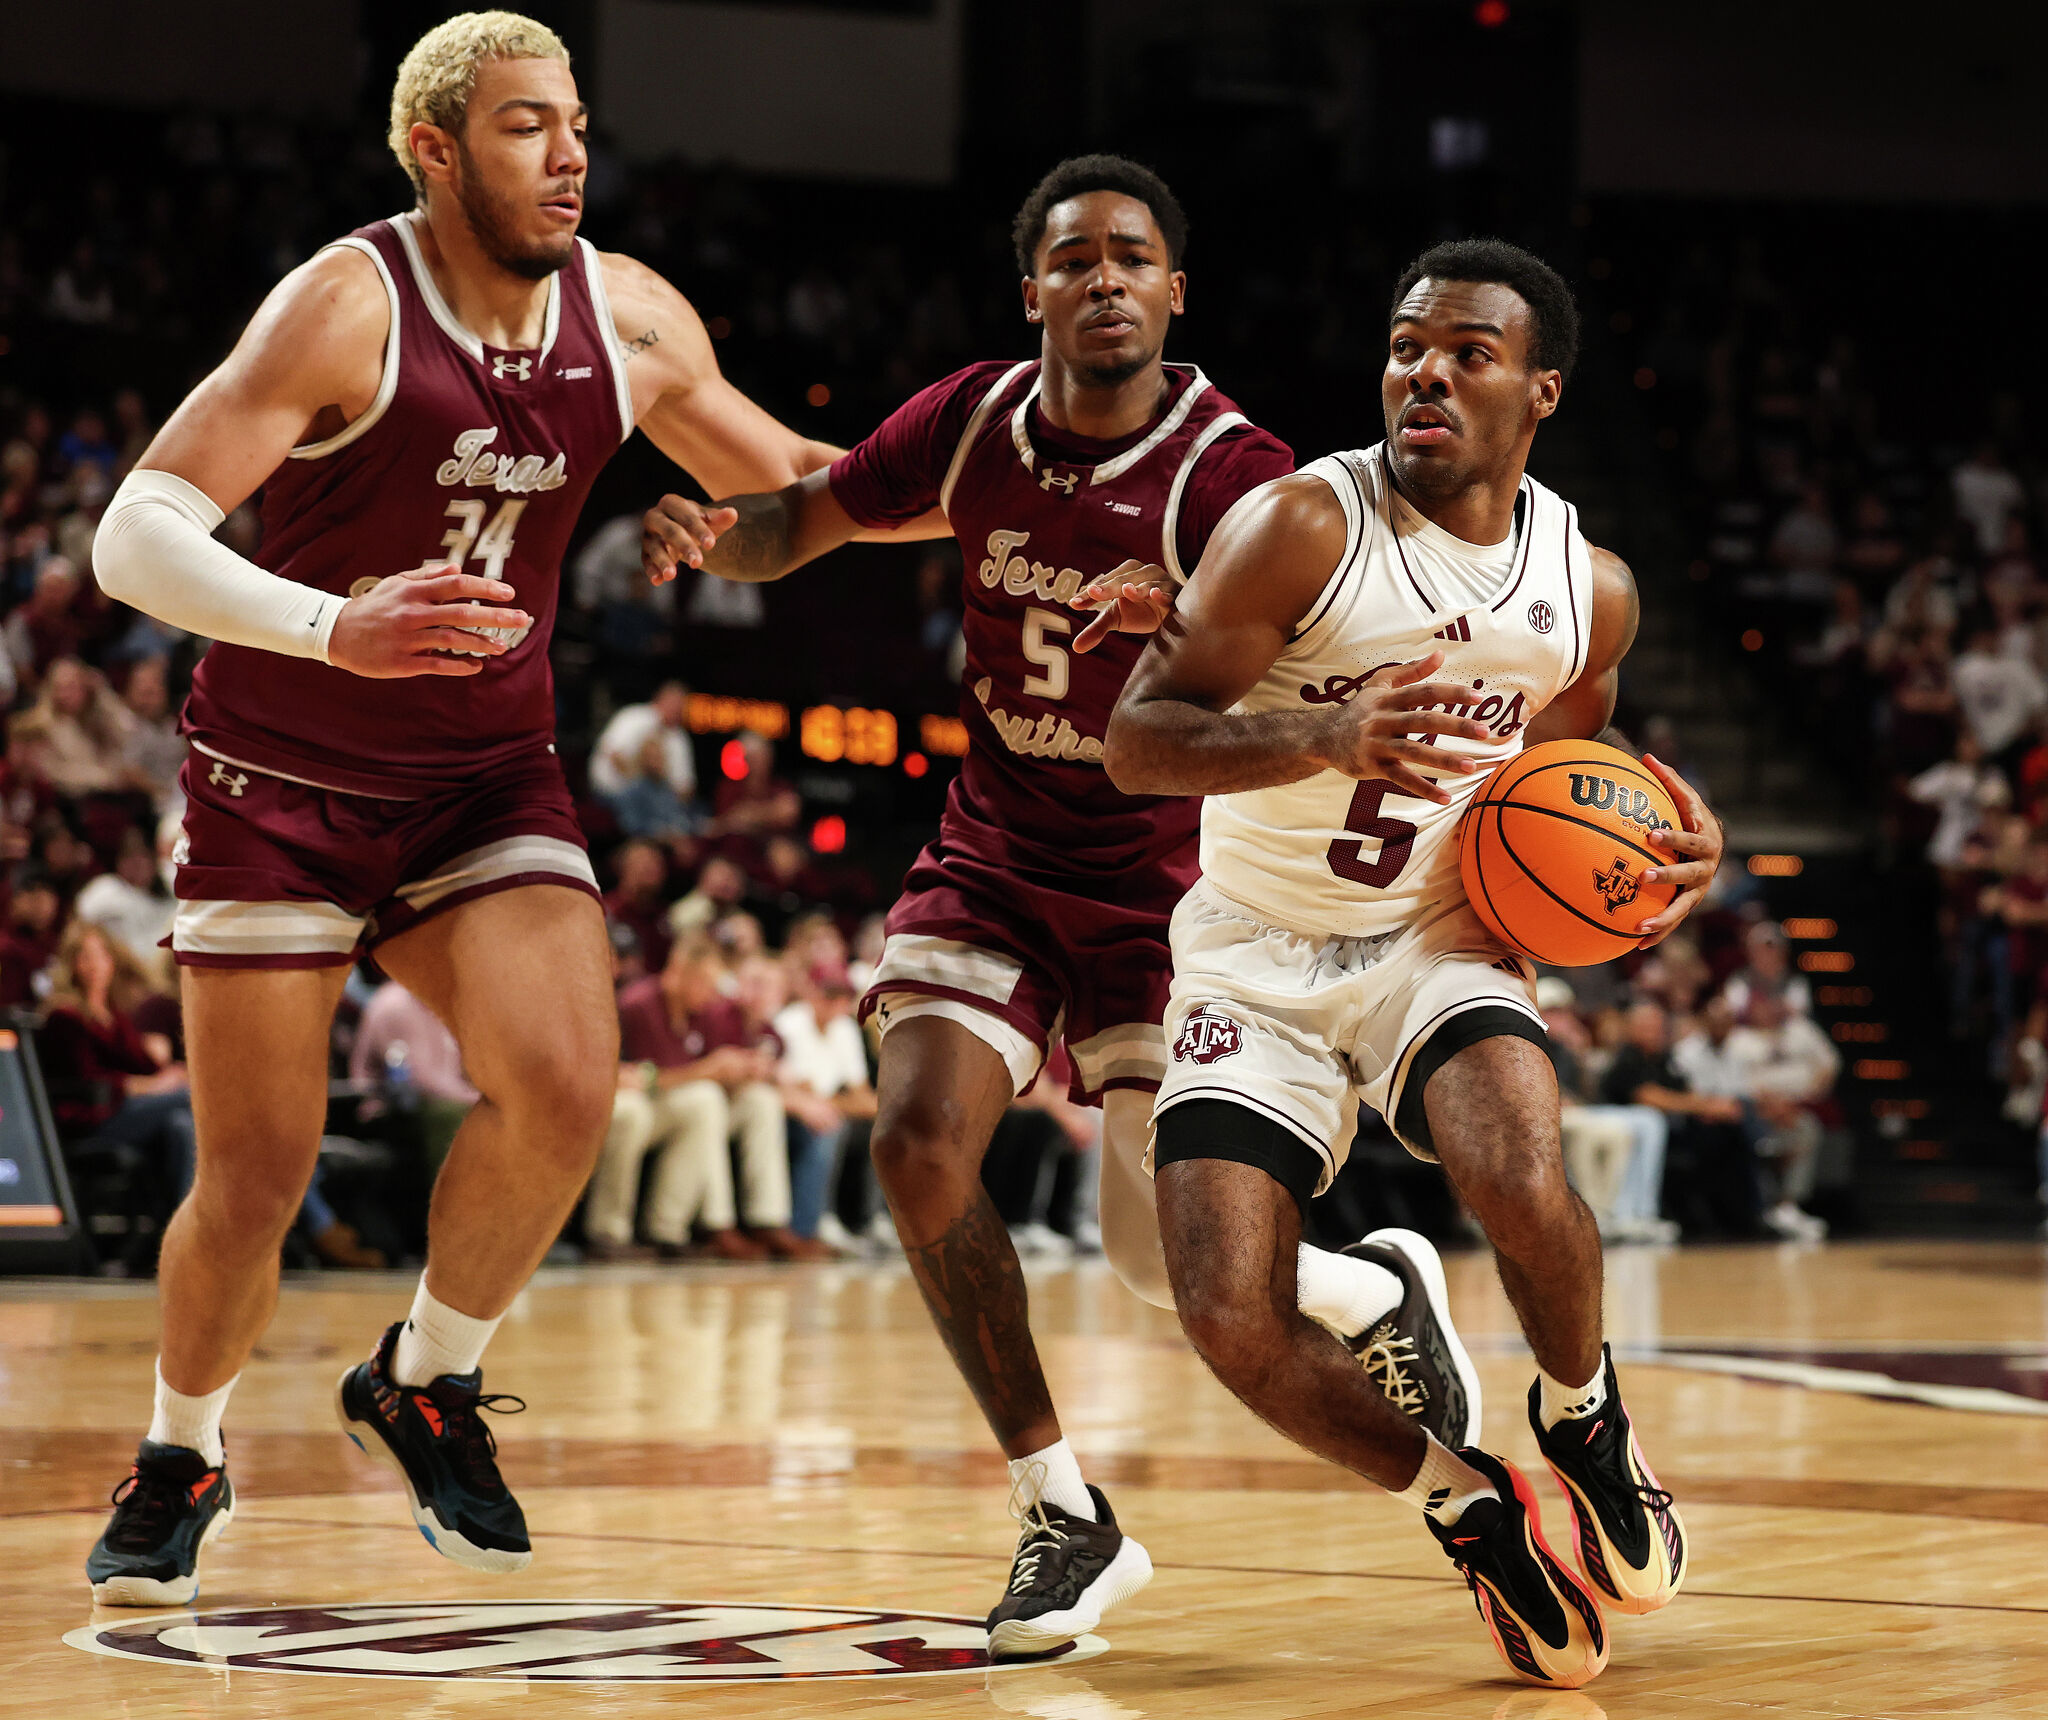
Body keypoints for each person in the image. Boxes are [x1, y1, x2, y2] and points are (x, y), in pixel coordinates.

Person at [80, 11, 937, 1606]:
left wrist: (1038, 477)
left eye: (580, 129)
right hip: (281, 781)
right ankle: (182, 1451)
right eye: (529, 128)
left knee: (563, 1089)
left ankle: (427, 1377)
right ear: (436, 149)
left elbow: (805, 479)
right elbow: (135, 537)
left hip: (481, 778)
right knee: (256, 1172)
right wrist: (339, 624)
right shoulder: (347, 303)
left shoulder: (634, 318)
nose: (569, 160)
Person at [647, 153, 1481, 1655]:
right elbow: (807, 517)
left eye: (1135, 256)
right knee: (913, 1142)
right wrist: (717, 530)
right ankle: (1062, 1512)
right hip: (996, 857)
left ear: (1177, 291)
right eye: (1076, 256)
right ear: (1030, 289)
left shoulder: (1239, 476)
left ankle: (1368, 1285)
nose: (1106, 277)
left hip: (1174, 899)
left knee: (1154, 1267)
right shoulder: (971, 422)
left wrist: (1198, 624)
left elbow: (1338, 672)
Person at [1106, 239, 1724, 1688]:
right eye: (1406, 348)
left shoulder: (1592, 590)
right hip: (1252, 954)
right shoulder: (1301, 528)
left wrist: (1662, 848)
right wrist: (1322, 734)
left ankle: (1582, 1419)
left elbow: (1568, 761)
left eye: (1467, 353)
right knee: (1222, 1310)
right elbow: (1140, 740)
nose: (1425, 373)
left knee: (1516, 1165)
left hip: (1436, 929)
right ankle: (1470, 1501)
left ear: (1541, 391)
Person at [591, 932, 800, 1259]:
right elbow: (648, 1079)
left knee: (734, 1100)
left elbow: (690, 1072)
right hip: (630, 1101)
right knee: (680, 1103)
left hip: (666, 1103)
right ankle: (610, 1232)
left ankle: (675, 1229)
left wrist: (736, 1070)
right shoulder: (640, 1005)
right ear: (677, 973)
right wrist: (709, 1070)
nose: (711, 993)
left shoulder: (702, 1010)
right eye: (704, 982)